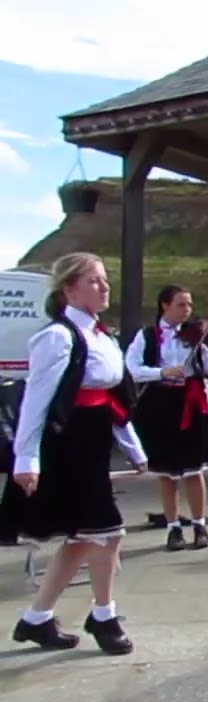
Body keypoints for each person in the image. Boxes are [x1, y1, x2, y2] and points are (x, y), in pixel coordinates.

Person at [0, 253, 146, 655]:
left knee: (82, 538)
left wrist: (133, 446)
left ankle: (36, 620)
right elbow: (36, 403)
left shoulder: (102, 336)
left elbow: (114, 400)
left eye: (104, 279)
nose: (104, 287)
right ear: (68, 289)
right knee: (107, 533)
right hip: (68, 444)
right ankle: (104, 616)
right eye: (94, 280)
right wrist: (26, 460)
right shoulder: (58, 337)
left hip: (93, 439)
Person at [125, 285, 208, 551]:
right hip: (159, 404)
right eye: (181, 304)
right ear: (165, 305)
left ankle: (200, 525)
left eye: (189, 305)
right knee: (166, 473)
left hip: (190, 401)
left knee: (194, 469)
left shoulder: (194, 335)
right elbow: (133, 368)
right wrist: (162, 372)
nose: (187, 310)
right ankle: (173, 528)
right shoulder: (147, 336)